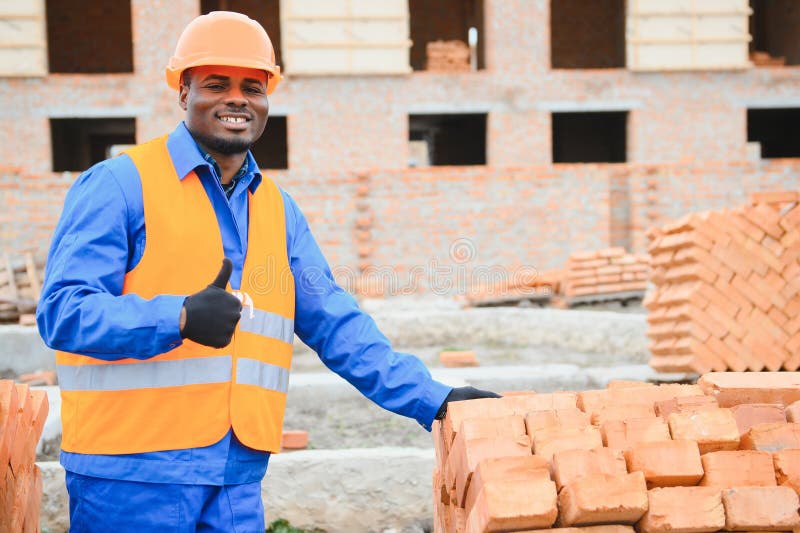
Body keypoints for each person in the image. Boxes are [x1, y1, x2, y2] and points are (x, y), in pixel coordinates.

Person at [36, 11, 499, 532]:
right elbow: (63, 311)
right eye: (217, 84)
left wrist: (434, 399)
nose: (238, 99)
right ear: (183, 91)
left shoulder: (277, 209)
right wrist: (178, 317)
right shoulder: (120, 184)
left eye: (252, 87)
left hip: (236, 478)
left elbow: (337, 324)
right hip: (130, 478)